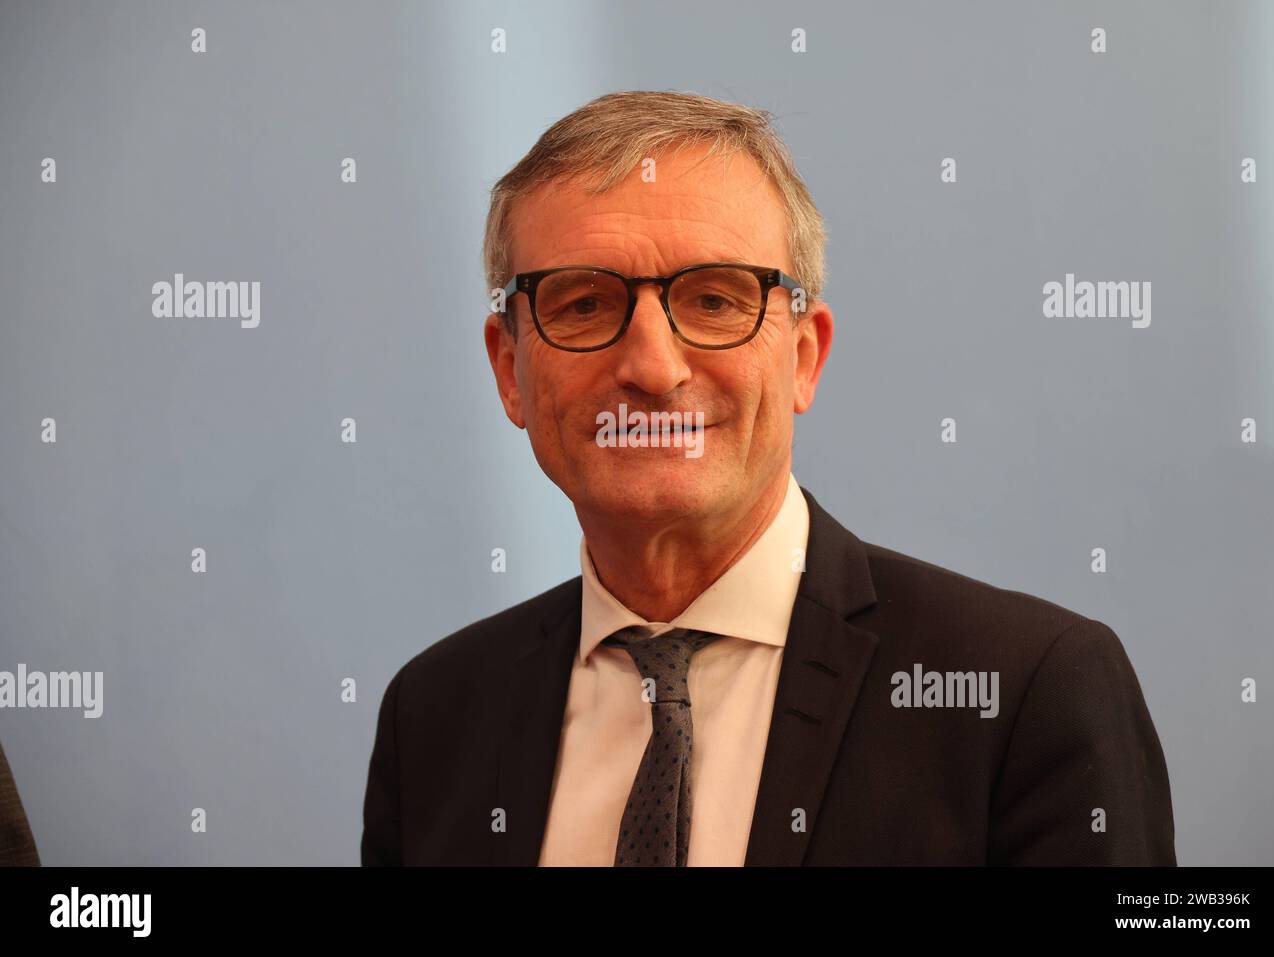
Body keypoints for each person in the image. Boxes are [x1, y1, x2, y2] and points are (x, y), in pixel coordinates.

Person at [361, 90, 1176, 866]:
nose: (652, 365)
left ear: (803, 356)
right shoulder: (433, 715)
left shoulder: (1025, 691)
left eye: (715, 300)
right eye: (582, 304)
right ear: (510, 370)